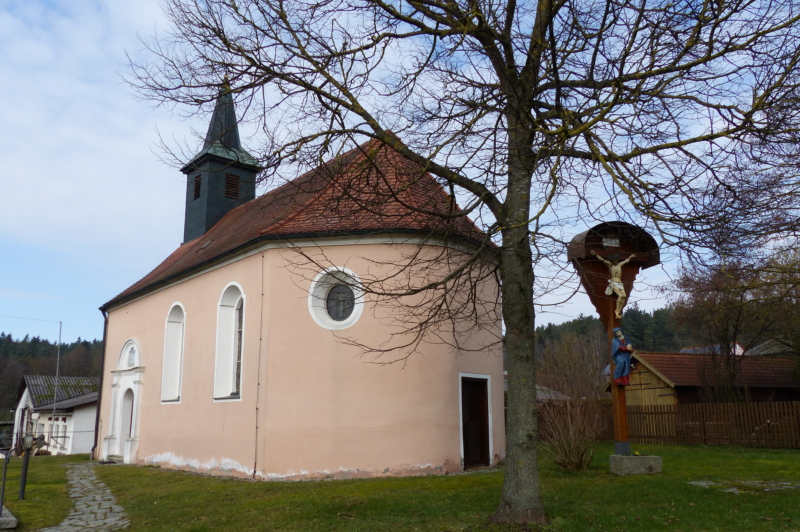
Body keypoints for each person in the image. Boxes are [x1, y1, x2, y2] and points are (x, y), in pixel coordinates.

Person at [591, 250, 636, 319]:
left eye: (616, 260)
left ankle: (618, 310)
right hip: (614, 282)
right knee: (620, 295)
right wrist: (596, 254)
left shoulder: (619, 264)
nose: (615, 261)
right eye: (614, 260)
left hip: (620, 283)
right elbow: (602, 260)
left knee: (624, 295)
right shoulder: (610, 265)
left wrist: (631, 256)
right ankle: (616, 311)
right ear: (612, 260)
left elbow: (626, 261)